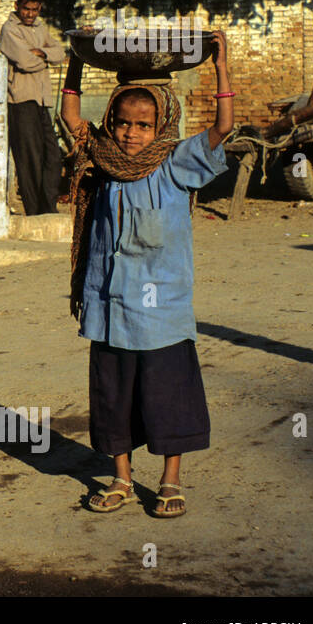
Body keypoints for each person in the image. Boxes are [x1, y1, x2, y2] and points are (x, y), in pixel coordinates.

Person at [60, 31, 234, 518]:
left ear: (162, 123)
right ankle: (121, 478)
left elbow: (223, 127)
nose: (131, 133)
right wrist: (75, 62)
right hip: (111, 306)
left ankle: (170, 481)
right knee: (114, 397)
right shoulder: (103, 159)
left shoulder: (178, 163)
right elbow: (71, 117)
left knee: (166, 398)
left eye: (143, 124)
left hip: (162, 313)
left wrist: (222, 66)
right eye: (122, 123)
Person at [0, 0, 67, 215]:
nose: (30, 14)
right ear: (17, 6)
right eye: (26, 9)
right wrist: (44, 57)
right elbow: (25, 63)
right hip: (20, 101)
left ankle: (48, 207)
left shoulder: (40, 28)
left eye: (35, 10)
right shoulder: (10, 30)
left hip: (41, 100)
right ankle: (34, 210)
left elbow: (60, 53)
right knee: (30, 160)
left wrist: (43, 53)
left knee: (53, 156)